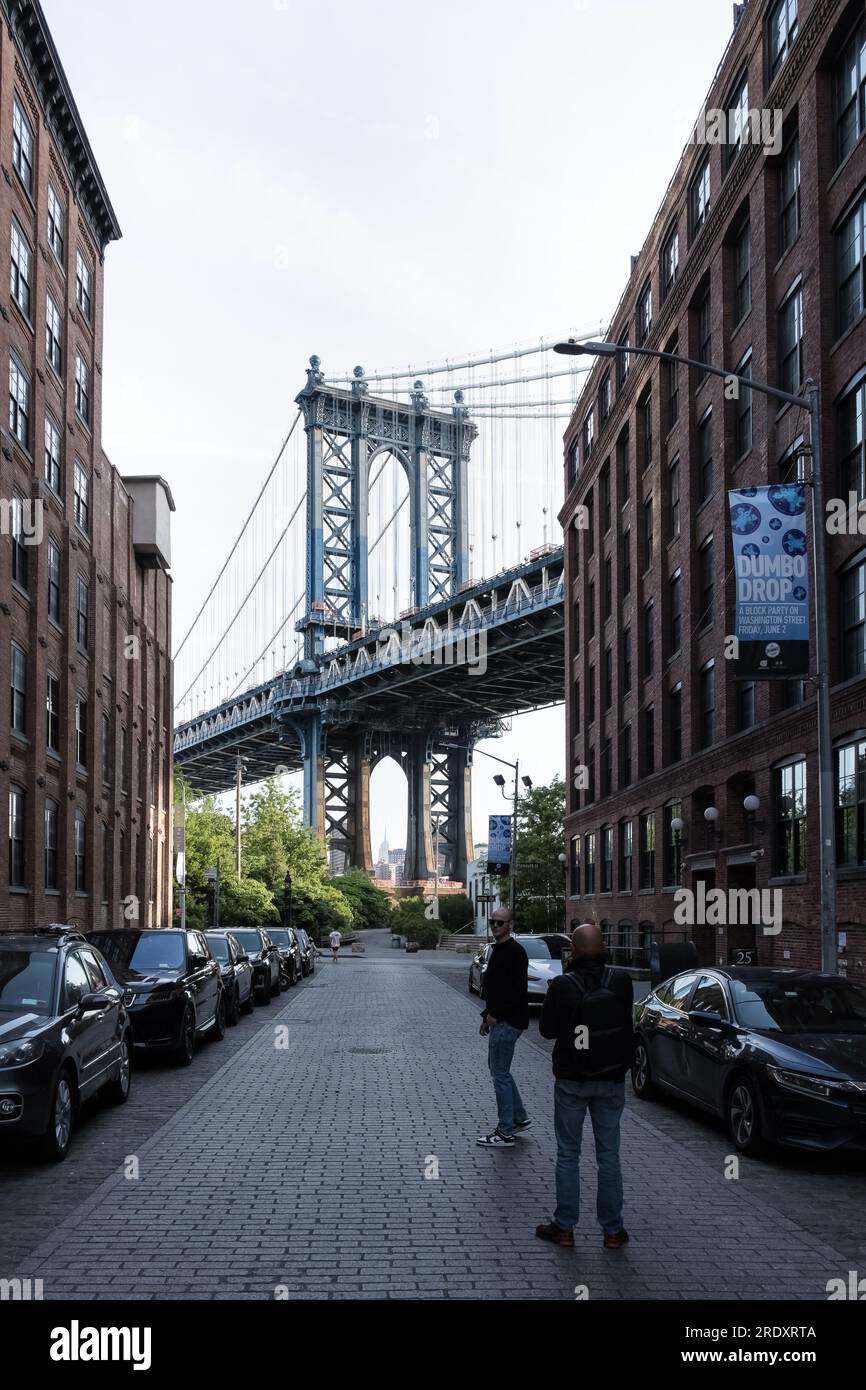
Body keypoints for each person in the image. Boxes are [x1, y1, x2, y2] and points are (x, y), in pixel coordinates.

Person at [535, 922, 634, 1249]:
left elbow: (547, 1031)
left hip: (572, 1080)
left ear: (573, 951)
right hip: (610, 1080)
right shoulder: (620, 981)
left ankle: (564, 1227)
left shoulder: (563, 985)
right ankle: (612, 1231)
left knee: (568, 1153)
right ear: (604, 947)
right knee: (609, 1155)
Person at [476, 908, 531, 1148]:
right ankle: (518, 1119)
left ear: (510, 924)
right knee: (501, 1071)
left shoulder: (514, 952)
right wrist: (486, 1016)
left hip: (508, 1021)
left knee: (499, 1074)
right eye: (492, 921)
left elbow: (515, 990)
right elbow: (495, 989)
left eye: (500, 922)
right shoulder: (498, 950)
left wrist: (495, 1015)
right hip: (500, 1019)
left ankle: (505, 1131)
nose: (495, 925)